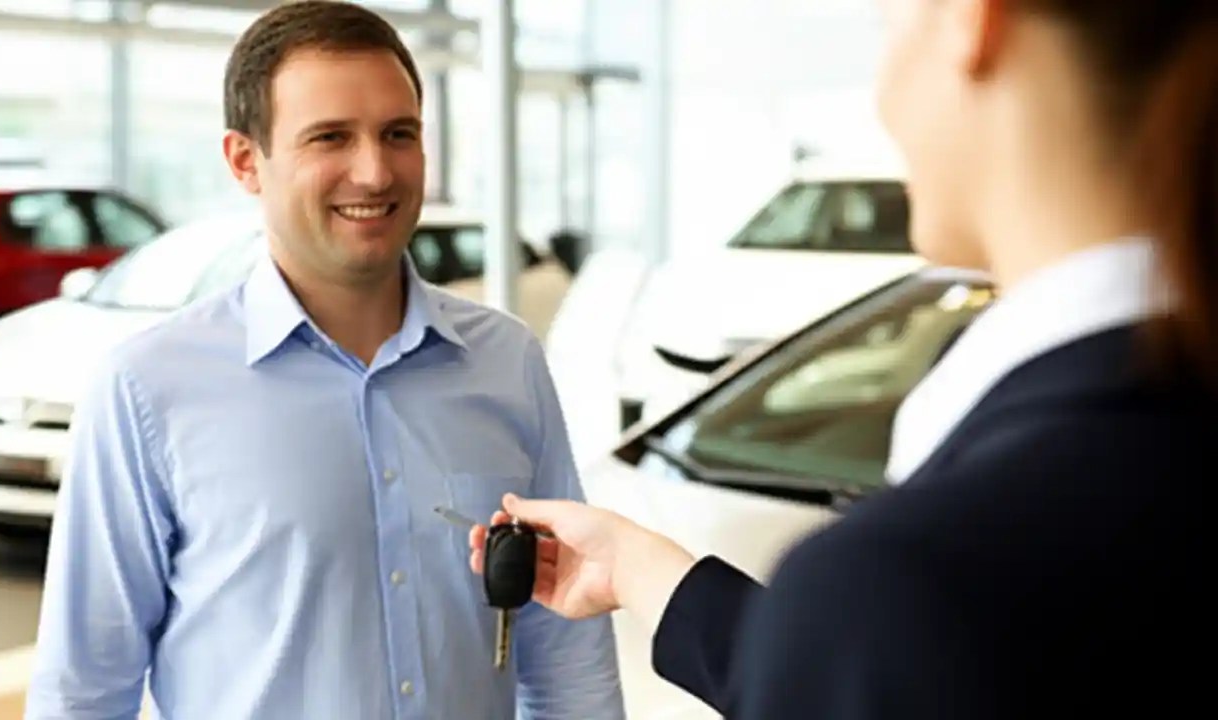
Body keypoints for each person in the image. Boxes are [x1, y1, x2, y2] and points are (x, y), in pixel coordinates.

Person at [472, 1, 1214, 718]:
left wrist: (830, 621)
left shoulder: (913, 590)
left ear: (970, 18)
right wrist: (638, 567)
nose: (883, 96)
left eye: (885, 26)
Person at [25, 2, 624, 718]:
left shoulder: (508, 363)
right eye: (330, 138)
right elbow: (83, 690)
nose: (373, 172)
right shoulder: (148, 389)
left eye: (398, 134)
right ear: (246, 161)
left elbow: (566, 663)